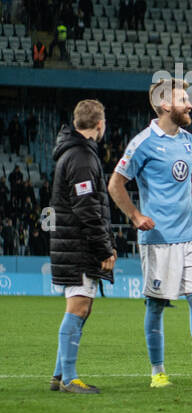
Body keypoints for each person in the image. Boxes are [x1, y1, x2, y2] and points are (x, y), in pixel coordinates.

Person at [107, 79, 192, 389]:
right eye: (184, 99)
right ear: (165, 105)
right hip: (157, 240)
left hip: (187, 237)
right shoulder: (143, 143)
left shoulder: (188, 140)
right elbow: (115, 184)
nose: (190, 104)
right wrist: (135, 215)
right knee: (156, 305)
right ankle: (158, 372)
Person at [48, 99, 115, 394]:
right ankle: (69, 378)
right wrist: (104, 248)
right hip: (79, 245)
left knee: (82, 307)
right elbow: (87, 208)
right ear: (99, 125)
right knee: (78, 306)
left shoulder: (73, 153)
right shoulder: (81, 157)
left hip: (72, 243)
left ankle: (59, 374)